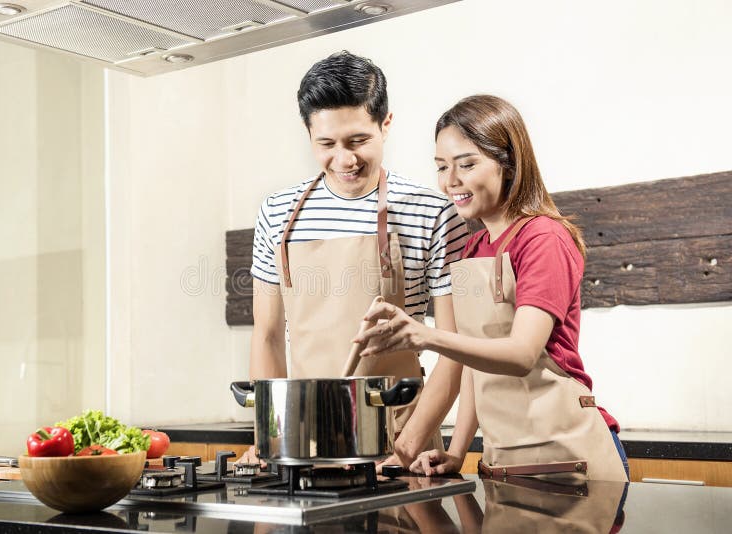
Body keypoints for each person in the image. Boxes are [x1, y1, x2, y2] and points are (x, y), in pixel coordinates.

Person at [354, 94, 630, 482]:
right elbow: (474, 369)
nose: (452, 181)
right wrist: (456, 452)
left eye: (467, 164)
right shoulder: (473, 248)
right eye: (442, 166)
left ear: (508, 162)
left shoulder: (544, 238)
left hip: (570, 461)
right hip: (504, 463)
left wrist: (425, 336)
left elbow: (520, 354)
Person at [238, 51, 468, 465]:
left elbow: (456, 350)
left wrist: (407, 446)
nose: (344, 160)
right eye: (326, 144)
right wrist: (268, 436)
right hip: (304, 439)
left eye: (358, 140)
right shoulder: (276, 213)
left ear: (386, 124)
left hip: (400, 439)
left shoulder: (433, 211)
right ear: (308, 134)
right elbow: (268, 335)